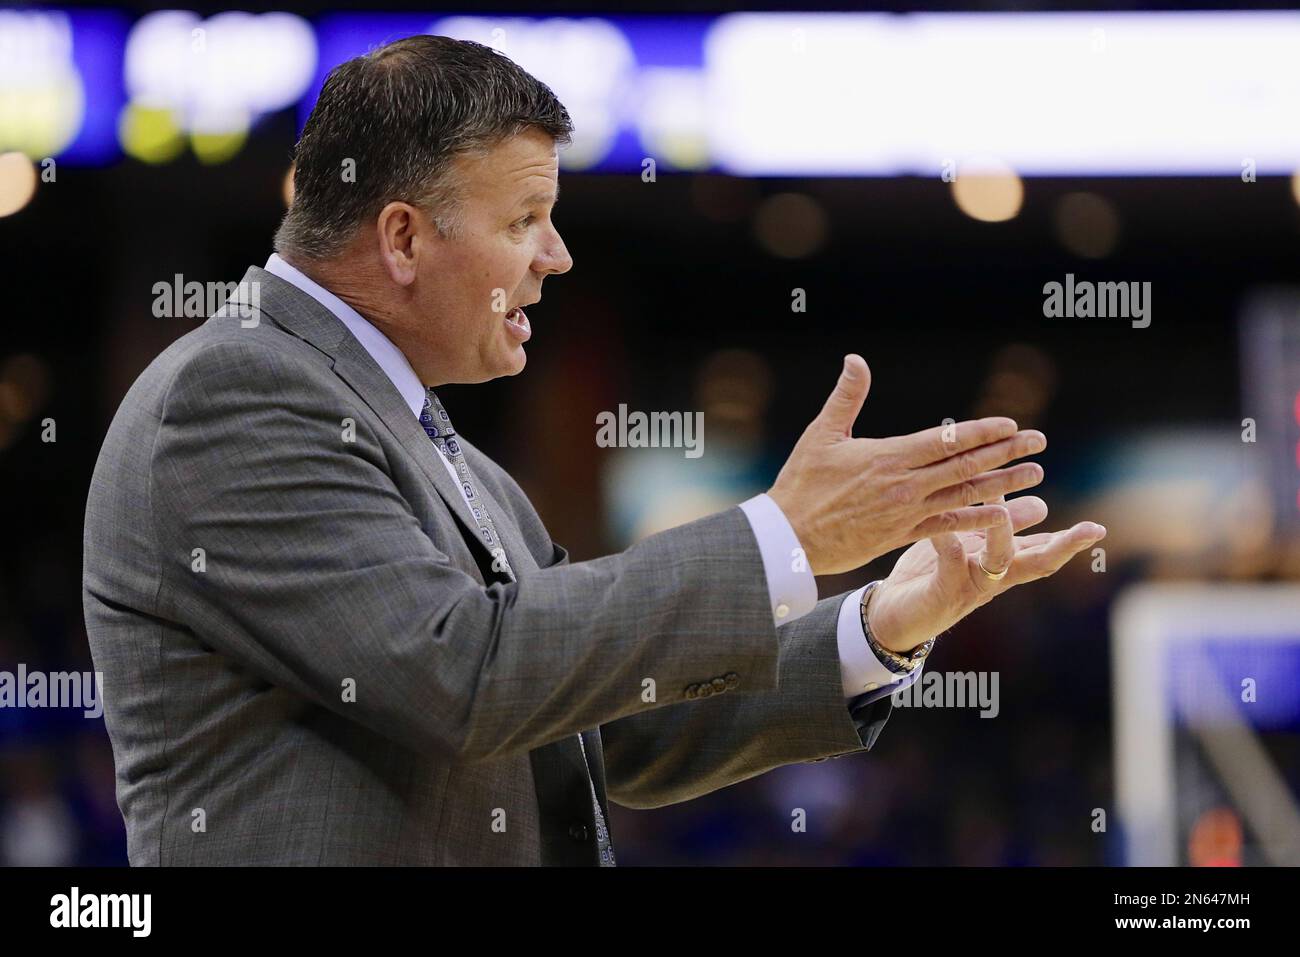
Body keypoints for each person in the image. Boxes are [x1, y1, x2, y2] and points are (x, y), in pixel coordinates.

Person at [82, 35, 1105, 865]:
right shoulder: (234, 396)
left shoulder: (456, 461)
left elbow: (605, 721)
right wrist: (780, 536)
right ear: (402, 237)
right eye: (526, 218)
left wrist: (885, 620)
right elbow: (465, 675)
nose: (556, 255)